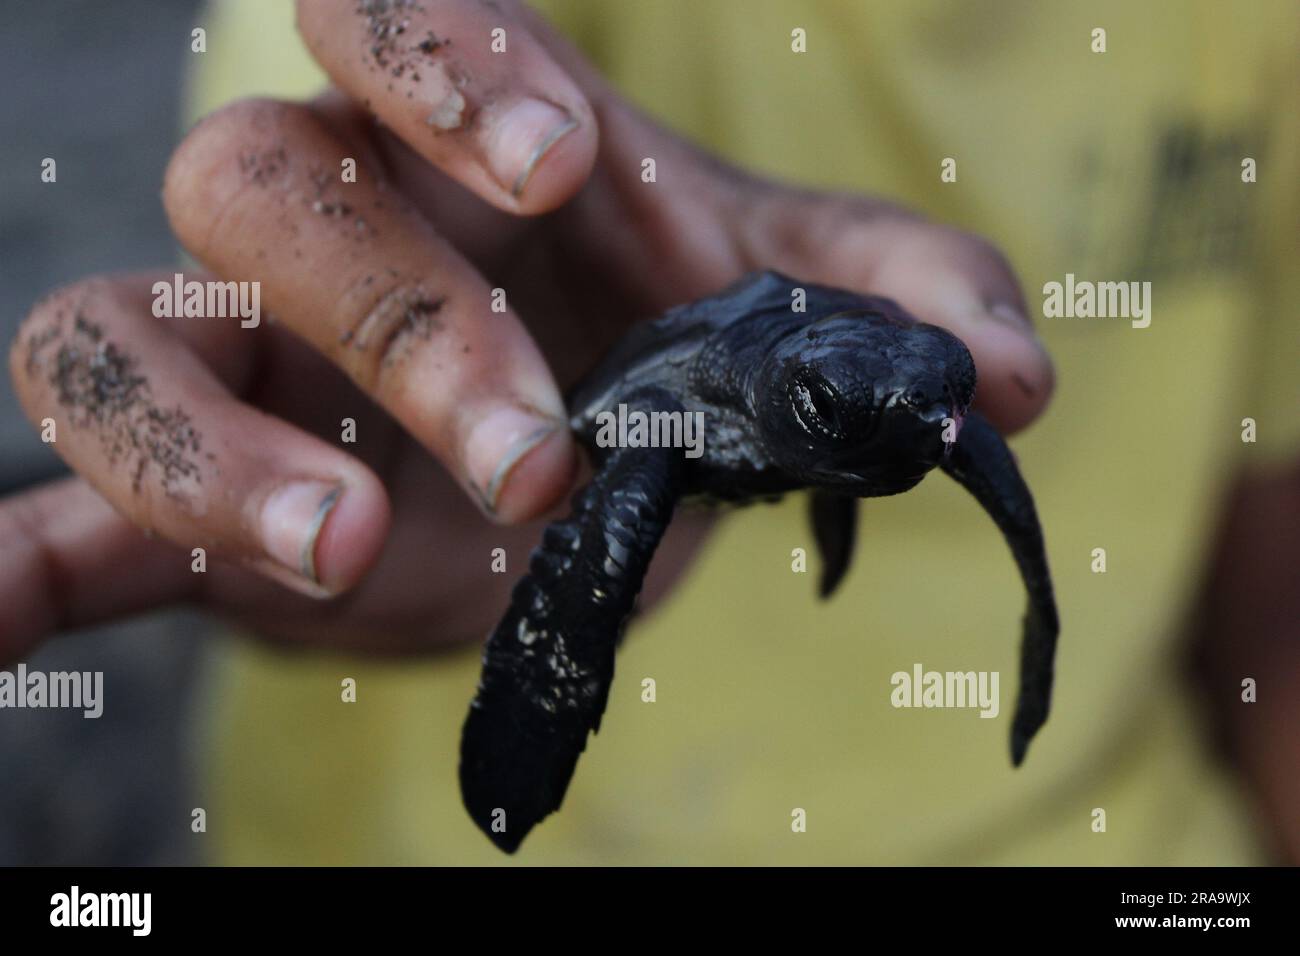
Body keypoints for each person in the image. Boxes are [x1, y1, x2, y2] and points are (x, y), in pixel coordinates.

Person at [4, 0, 1296, 864]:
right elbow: (331, 120)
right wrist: (306, 468)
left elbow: (1269, 608)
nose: (944, 427)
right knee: (604, 556)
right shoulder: (671, 421)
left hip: (1131, 840)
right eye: (890, 418)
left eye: (942, 396)